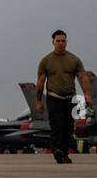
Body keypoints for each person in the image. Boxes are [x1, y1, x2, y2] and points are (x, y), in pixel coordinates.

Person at [34, 29, 92, 164]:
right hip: (54, 97)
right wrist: (38, 101)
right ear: (53, 42)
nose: (61, 43)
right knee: (56, 125)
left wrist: (87, 94)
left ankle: (64, 153)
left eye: (63, 41)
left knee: (68, 127)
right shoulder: (46, 61)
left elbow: (83, 77)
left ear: (66, 42)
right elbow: (40, 81)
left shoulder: (74, 60)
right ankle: (57, 150)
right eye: (58, 41)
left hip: (70, 97)